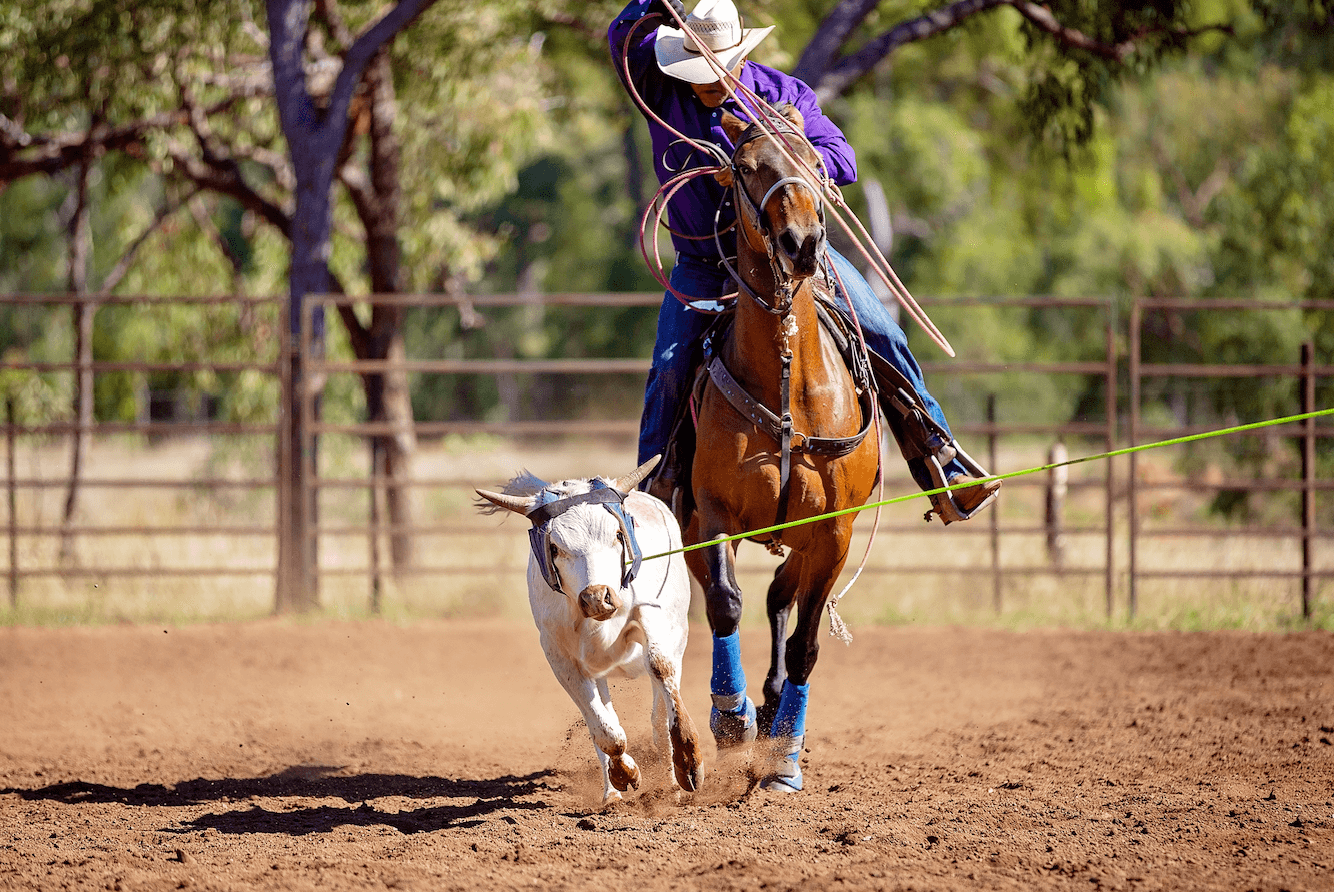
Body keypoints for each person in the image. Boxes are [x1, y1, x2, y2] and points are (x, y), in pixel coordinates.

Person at [609, 0, 1000, 523]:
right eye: (693, 70)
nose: (702, 82)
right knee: (669, 367)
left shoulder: (782, 95)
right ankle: (650, 508)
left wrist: (794, 160)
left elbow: (842, 156)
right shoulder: (664, 92)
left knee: (883, 334)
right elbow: (622, 38)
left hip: (796, 258)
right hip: (704, 263)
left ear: (735, 57)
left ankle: (941, 464)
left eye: (711, 71)